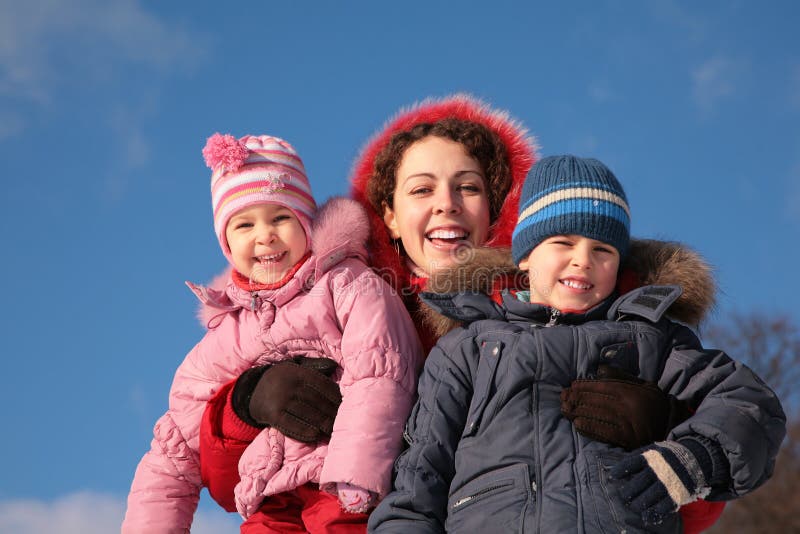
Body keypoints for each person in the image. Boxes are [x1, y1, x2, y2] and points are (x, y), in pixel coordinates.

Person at [197, 95, 727, 532]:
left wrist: (663, 427)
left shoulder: (563, 312)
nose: (447, 203)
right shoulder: (320, 306)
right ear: (390, 214)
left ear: (497, 210)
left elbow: (702, 493)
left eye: (468, 187)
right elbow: (224, 485)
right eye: (422, 188)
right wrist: (245, 405)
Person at [367, 155, 787, 533]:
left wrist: (692, 456)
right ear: (526, 256)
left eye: (602, 249)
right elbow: (421, 475)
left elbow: (748, 402)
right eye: (563, 243)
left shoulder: (648, 338)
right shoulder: (469, 347)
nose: (583, 260)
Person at [122, 133, 423, 533]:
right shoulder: (226, 334)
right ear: (226, 243)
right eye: (245, 224)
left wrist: (355, 474)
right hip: (270, 495)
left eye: (280, 217)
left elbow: (380, 371)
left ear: (306, 223)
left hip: (340, 482)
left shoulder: (345, 285)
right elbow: (174, 450)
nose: (264, 235)